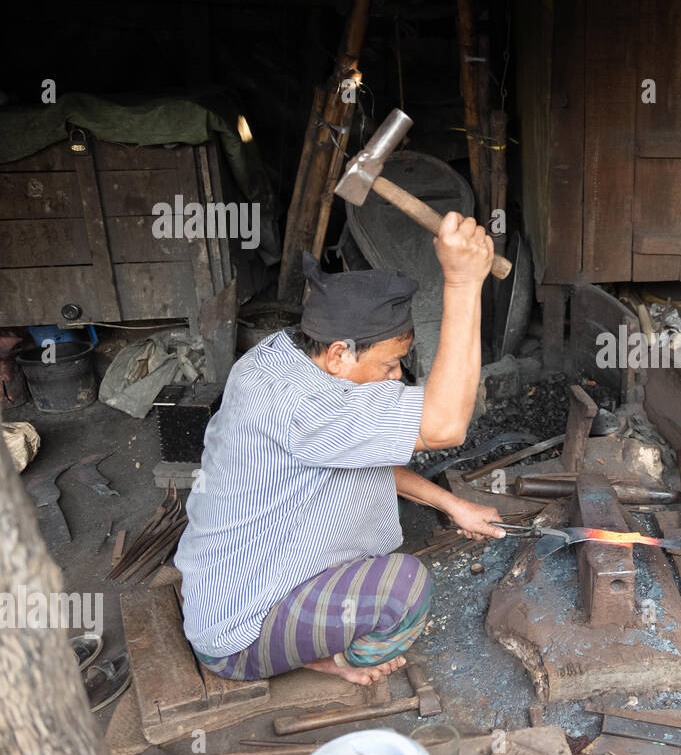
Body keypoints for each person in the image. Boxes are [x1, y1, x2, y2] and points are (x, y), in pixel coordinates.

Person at [174, 212, 505, 685]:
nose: (397, 377)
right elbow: (446, 426)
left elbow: (363, 459)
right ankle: (332, 659)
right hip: (237, 633)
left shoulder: (276, 357)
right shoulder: (309, 407)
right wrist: (462, 281)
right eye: (390, 364)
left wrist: (453, 506)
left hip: (216, 584)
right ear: (338, 355)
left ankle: (302, 643)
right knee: (404, 588)